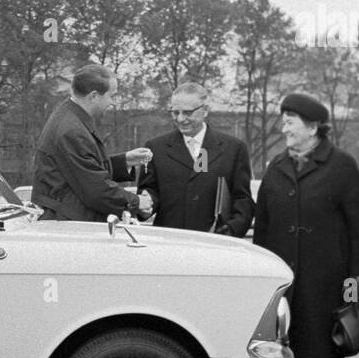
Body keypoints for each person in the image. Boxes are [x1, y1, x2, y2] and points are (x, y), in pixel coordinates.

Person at [255, 94, 359, 358]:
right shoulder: (277, 165)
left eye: (290, 122)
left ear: (313, 128)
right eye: (284, 121)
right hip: (287, 267)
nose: (284, 128)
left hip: (330, 268)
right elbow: (263, 221)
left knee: (333, 332)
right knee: (296, 331)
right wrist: (262, 267)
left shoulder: (341, 165)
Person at [31, 64, 153, 222]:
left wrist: (125, 161)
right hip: (70, 226)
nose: (113, 102)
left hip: (67, 220)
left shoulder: (69, 118)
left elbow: (81, 170)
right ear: (94, 96)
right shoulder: (72, 130)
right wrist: (136, 202)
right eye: (111, 96)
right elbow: (95, 190)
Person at [132, 82, 253, 235]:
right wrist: (145, 204)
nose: (181, 119)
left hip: (216, 245)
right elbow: (149, 192)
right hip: (170, 244)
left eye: (187, 113)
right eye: (175, 113)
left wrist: (230, 231)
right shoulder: (155, 148)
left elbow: (243, 200)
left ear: (205, 110)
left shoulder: (234, 149)